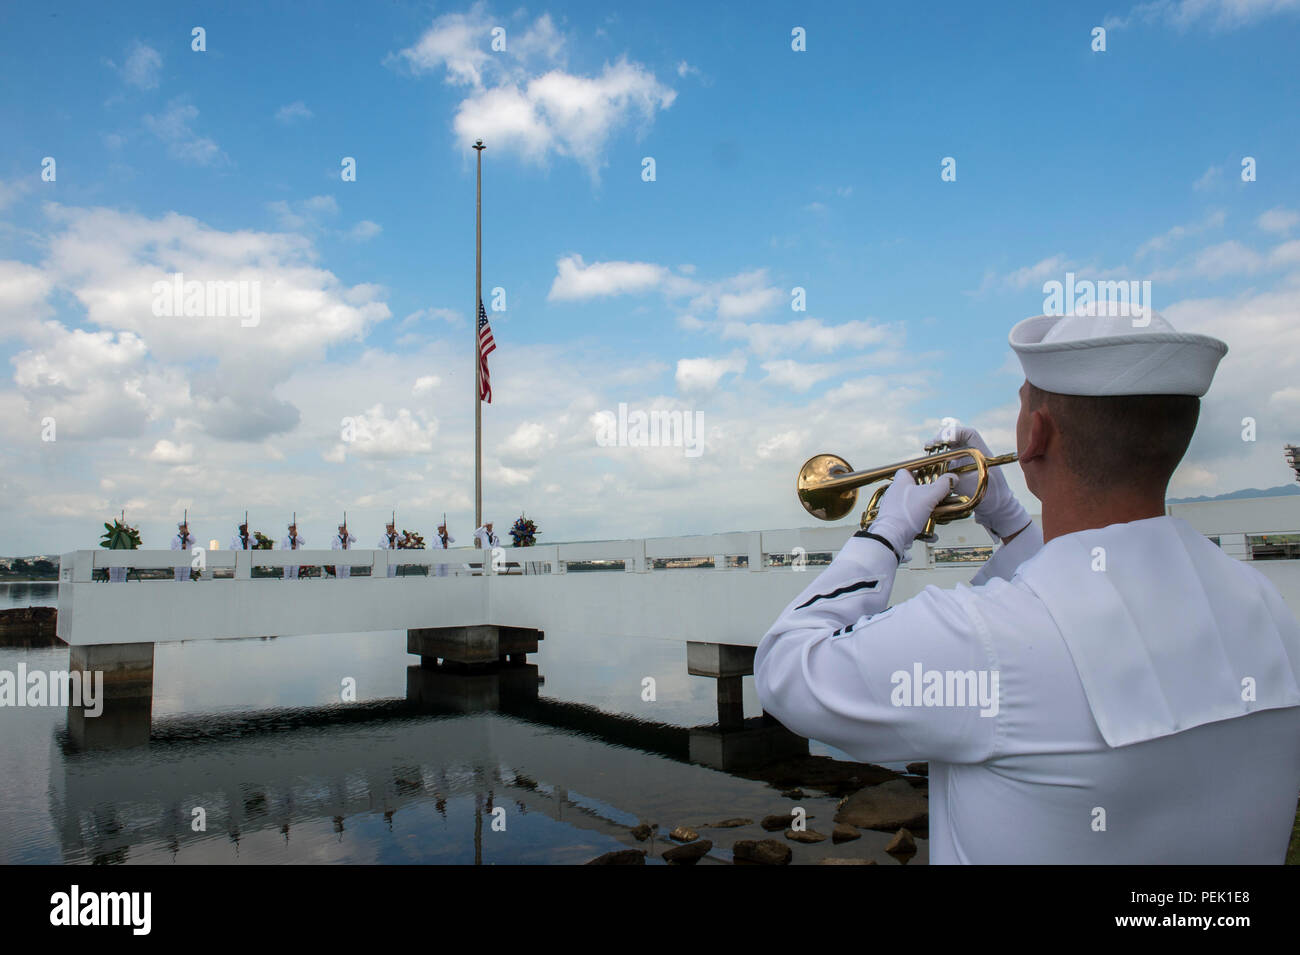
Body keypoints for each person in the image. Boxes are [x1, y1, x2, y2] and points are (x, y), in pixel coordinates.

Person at [755, 309, 1300, 864]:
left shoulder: (981, 639)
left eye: (1022, 403)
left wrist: (883, 533)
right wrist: (1011, 523)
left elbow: (786, 667)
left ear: (1035, 433)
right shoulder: (1268, 607)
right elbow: (1085, 588)